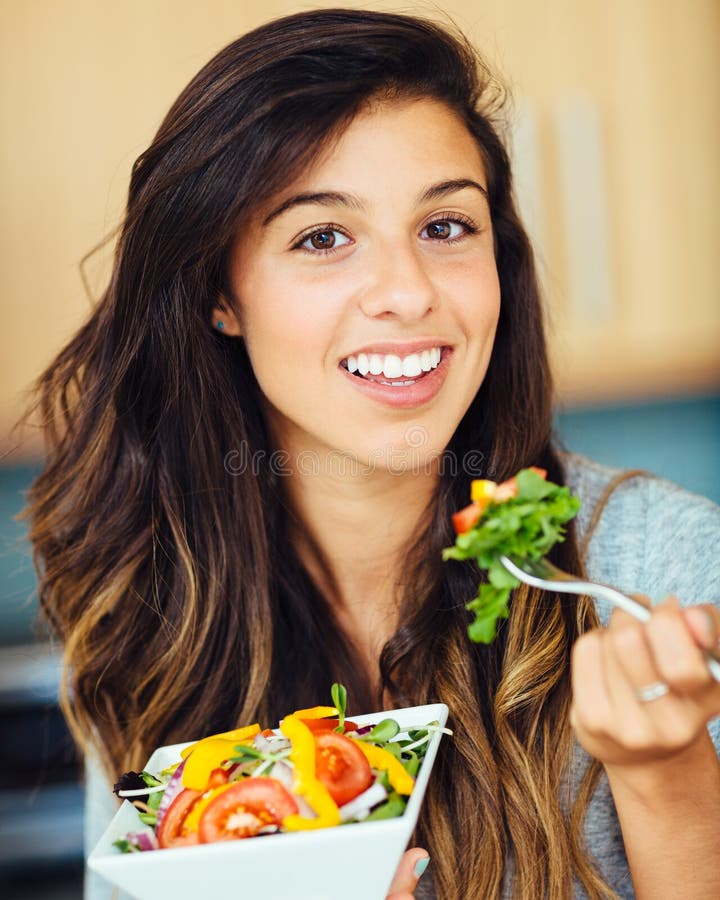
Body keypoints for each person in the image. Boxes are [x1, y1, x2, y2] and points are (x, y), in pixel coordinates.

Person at [23, 8, 720, 899]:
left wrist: (668, 775)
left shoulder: (652, 566)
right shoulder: (144, 614)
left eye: (446, 227)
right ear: (218, 294)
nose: (407, 291)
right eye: (322, 237)